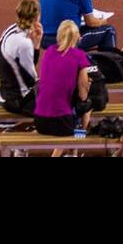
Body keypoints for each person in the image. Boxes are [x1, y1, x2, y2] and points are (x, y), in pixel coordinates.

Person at [33, 20, 92, 151]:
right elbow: (83, 95)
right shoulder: (80, 56)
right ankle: (77, 145)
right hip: (62, 123)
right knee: (87, 105)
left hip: (39, 121)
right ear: (77, 37)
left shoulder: (49, 51)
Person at [0, 0, 42, 116]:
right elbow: (31, 79)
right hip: (18, 101)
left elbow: (25, 69)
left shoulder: (9, 30)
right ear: (37, 17)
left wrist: (36, 44)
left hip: (5, 94)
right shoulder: (24, 43)